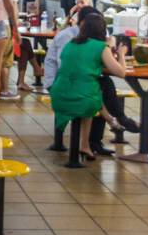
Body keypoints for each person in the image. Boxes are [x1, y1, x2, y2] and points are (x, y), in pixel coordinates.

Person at [50, 13, 127, 160]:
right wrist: (121, 53)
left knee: (92, 92)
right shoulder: (100, 47)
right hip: (82, 99)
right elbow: (121, 72)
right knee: (92, 97)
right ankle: (92, 138)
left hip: (58, 95)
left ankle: (87, 144)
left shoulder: (71, 44)